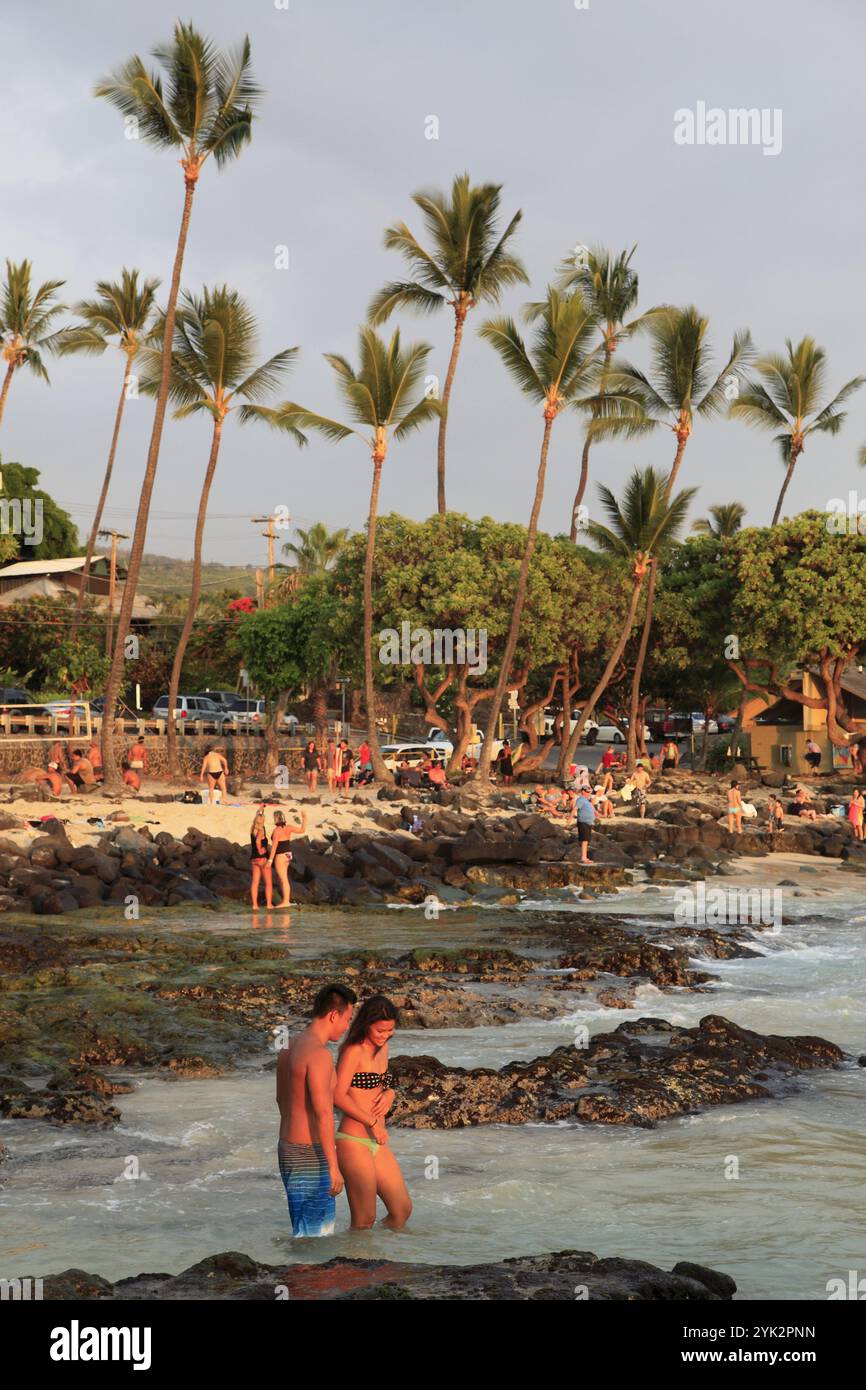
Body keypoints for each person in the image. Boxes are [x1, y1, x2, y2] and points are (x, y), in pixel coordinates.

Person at [277, 983, 358, 1238]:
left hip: (287, 1149)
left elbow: (280, 1100)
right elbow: (324, 1115)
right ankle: (306, 1278)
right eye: (347, 1019)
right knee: (317, 1238)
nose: (347, 1027)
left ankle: (294, 1276)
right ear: (334, 1015)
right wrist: (333, 1167)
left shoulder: (288, 1045)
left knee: (302, 1231)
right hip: (311, 1153)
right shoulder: (319, 1055)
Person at [334, 995, 412, 1231]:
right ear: (366, 1024)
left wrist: (391, 1094)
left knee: (401, 1210)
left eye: (390, 1031)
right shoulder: (353, 1051)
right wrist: (372, 1121)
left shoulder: (383, 1048)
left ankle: (384, 1259)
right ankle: (356, 1263)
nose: (385, 1035)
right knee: (364, 1219)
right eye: (380, 1030)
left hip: (377, 1141)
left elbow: (382, 1086)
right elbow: (337, 1095)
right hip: (353, 1140)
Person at [268, 808, 308, 908]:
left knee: (284, 879)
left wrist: (270, 860)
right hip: (288, 855)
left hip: (281, 856)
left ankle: (286, 902)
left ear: (276, 819)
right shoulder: (289, 827)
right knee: (283, 879)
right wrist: (304, 819)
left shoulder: (276, 831)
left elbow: (274, 847)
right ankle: (285, 901)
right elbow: (302, 830)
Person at [250, 806, 273, 910]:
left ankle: (255, 905)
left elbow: (257, 815)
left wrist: (260, 808)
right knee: (268, 883)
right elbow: (258, 841)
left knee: (255, 883)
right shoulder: (261, 830)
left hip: (254, 860)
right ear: (263, 821)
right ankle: (269, 905)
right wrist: (260, 850)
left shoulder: (253, 829)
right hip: (262, 859)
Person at [574, 789, 596, 863]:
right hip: (583, 822)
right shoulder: (580, 799)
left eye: (590, 792)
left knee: (586, 840)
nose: (589, 793)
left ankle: (584, 857)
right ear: (583, 792)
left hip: (588, 823)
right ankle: (583, 857)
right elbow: (575, 808)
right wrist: (570, 818)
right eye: (587, 792)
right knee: (584, 840)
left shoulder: (587, 801)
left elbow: (591, 810)